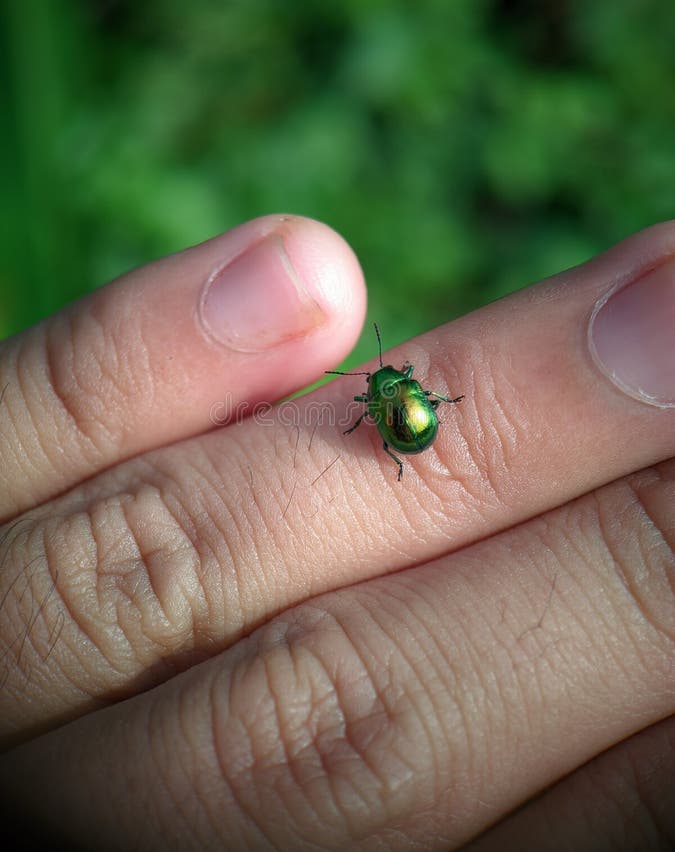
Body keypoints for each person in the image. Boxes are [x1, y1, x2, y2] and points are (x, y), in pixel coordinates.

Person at [0, 214, 673, 850]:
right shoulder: (390, 396)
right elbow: (408, 410)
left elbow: (392, 413)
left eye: (382, 377)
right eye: (381, 381)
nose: (383, 381)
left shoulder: (381, 398)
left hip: (412, 435)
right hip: (416, 434)